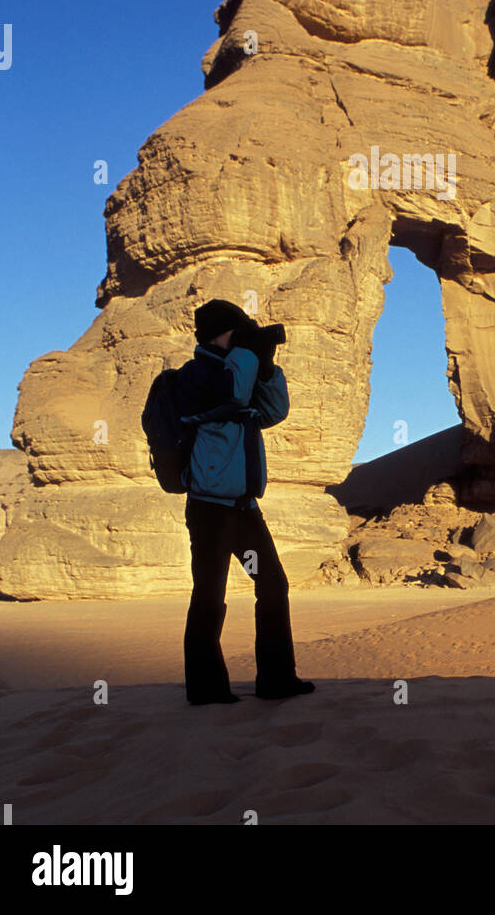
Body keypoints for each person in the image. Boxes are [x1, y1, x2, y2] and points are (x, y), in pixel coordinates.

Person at [176, 298, 315, 704]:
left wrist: (267, 366)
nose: (243, 338)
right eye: (236, 331)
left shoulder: (240, 369)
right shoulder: (196, 376)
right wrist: (247, 353)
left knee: (272, 585)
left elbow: (274, 411)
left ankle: (276, 679)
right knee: (209, 594)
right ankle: (204, 688)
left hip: (243, 509)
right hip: (209, 510)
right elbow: (234, 396)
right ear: (217, 334)